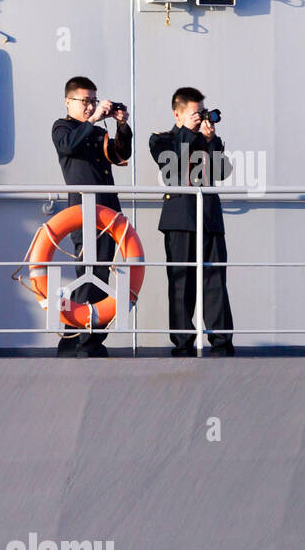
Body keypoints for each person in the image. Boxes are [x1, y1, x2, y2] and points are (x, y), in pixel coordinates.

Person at [149, 87, 235, 357]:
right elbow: (171, 167)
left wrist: (212, 140)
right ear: (178, 114)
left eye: (202, 113)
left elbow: (222, 173)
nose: (201, 118)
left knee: (215, 282)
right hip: (180, 220)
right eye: (195, 114)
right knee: (181, 283)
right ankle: (183, 343)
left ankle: (221, 341)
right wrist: (188, 132)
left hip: (210, 219)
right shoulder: (161, 139)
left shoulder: (205, 139)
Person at [50, 75, 131, 357]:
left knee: (101, 273)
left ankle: (92, 338)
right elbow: (68, 146)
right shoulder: (62, 127)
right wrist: (93, 120)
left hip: (107, 209)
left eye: (93, 101)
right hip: (82, 212)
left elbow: (121, 153)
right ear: (68, 102)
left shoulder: (95, 130)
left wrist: (122, 125)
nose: (90, 107)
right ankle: (75, 338)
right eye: (85, 101)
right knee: (86, 274)